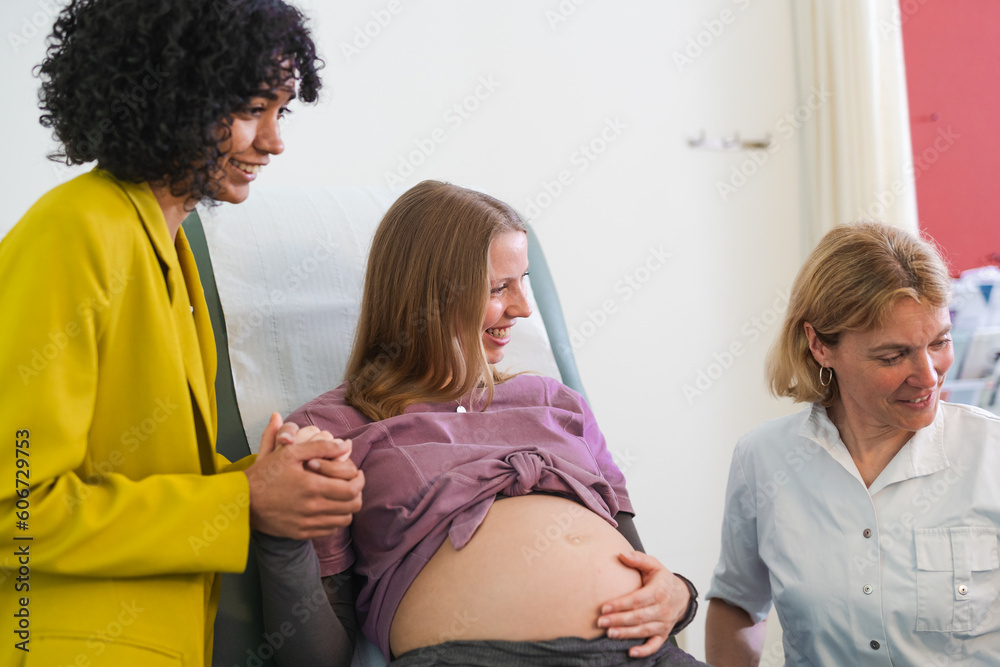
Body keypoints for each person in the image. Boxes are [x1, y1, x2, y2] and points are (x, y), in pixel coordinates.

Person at [0, 1, 363, 665]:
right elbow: (13, 509)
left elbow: (139, 476)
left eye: (282, 111)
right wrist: (244, 498)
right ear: (175, 96)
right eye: (253, 107)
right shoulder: (76, 230)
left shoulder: (172, 254)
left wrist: (276, 475)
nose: (273, 141)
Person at [253, 180, 705, 666]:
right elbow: (316, 659)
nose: (523, 308)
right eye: (498, 288)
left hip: (639, 654)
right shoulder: (331, 432)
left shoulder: (557, 403)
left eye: (523, 281)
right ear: (425, 296)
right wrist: (279, 536)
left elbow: (641, 563)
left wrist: (681, 596)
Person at [704, 222, 1000, 666]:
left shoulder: (990, 455)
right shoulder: (763, 461)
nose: (928, 375)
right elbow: (737, 604)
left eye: (940, 342)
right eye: (892, 355)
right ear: (820, 345)